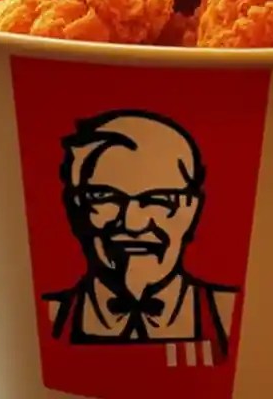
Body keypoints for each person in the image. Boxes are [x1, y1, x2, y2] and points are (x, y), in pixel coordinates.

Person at [44, 110, 236, 359]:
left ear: (192, 209)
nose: (133, 224)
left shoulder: (228, 314)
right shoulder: (47, 317)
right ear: (75, 207)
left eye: (158, 199)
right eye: (105, 197)